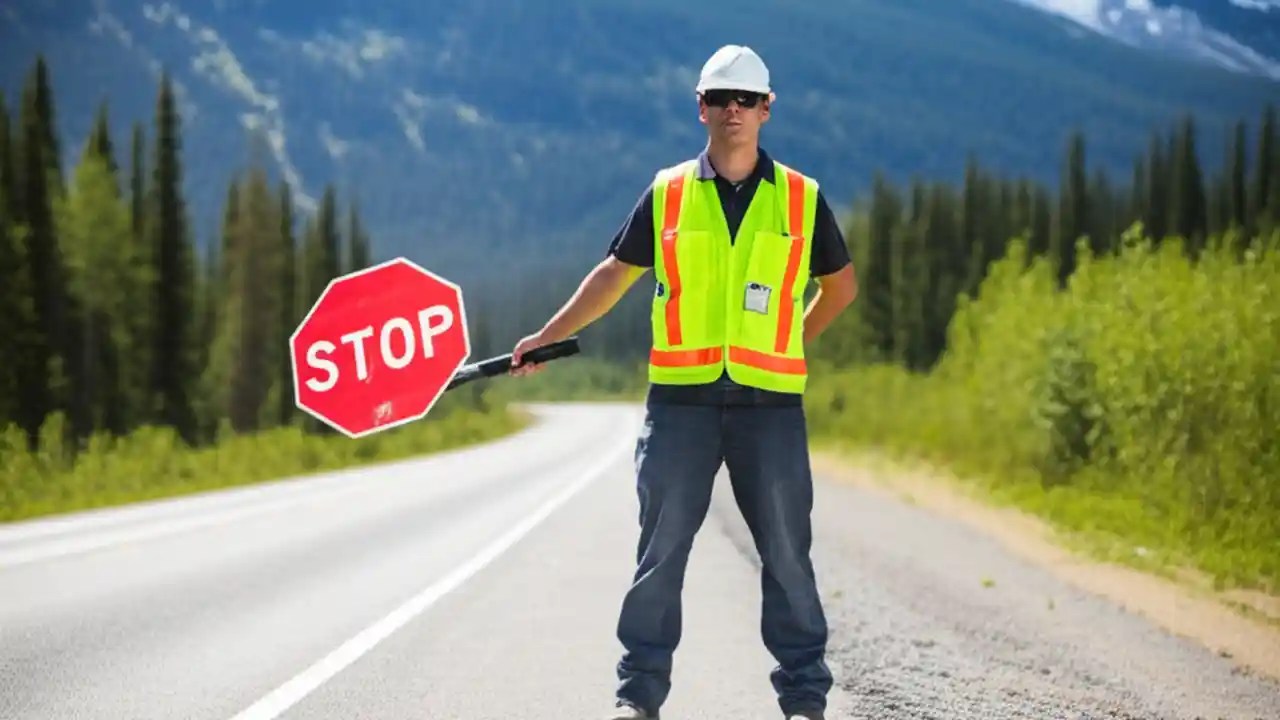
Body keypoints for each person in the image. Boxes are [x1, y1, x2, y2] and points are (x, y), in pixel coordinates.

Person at [509, 43, 858, 720]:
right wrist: (546, 336)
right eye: (721, 98)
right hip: (681, 406)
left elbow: (840, 288)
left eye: (747, 100)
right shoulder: (668, 193)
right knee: (659, 554)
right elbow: (613, 274)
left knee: (788, 554)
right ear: (700, 107)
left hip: (769, 406)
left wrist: (791, 340)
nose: (734, 111)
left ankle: (805, 701)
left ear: (767, 109)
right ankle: (638, 699)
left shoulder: (801, 199)